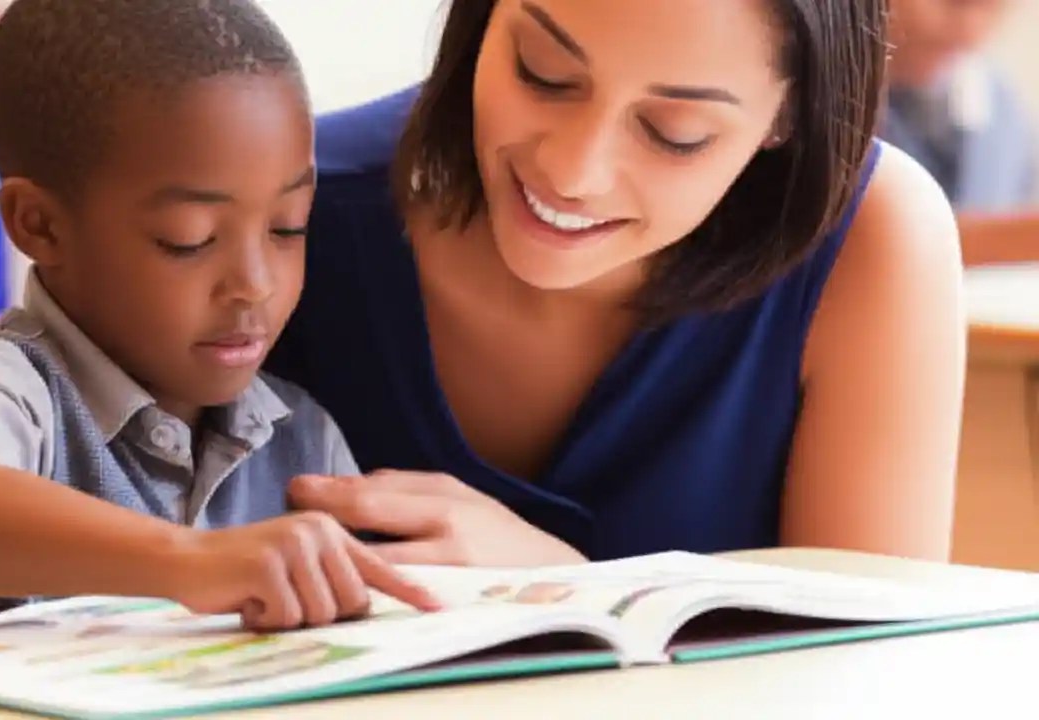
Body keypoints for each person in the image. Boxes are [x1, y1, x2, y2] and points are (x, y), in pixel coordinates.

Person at [273, 0, 965, 566]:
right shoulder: (285, 210)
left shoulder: (872, 243)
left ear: (787, 116)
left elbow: (868, 671)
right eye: (542, 72)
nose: (574, 172)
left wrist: (563, 590)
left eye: (675, 131)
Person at [0, 0, 439, 634]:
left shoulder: (301, 439)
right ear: (40, 224)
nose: (255, 283)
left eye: (288, 227)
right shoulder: (3, 385)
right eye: (187, 238)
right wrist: (190, 561)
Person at [882, 0, 1039, 264]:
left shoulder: (1001, 110)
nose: (968, 27)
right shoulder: (819, 104)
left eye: (990, 9)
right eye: (955, 3)